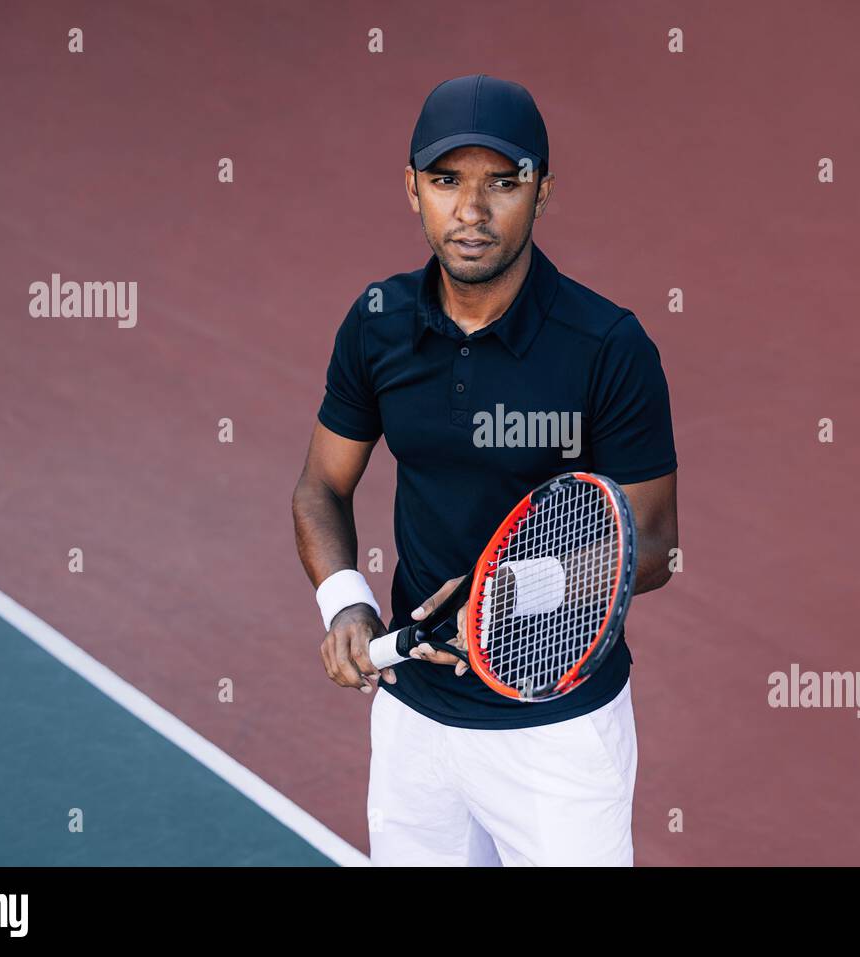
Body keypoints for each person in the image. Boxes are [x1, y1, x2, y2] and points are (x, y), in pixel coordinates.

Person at [292, 74, 678, 866]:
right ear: (412, 190)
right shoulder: (378, 325)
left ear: (543, 192)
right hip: (414, 724)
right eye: (445, 182)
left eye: (503, 183)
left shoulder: (609, 347)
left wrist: (509, 596)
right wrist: (345, 604)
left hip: (558, 736)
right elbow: (321, 486)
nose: (471, 212)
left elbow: (655, 544)